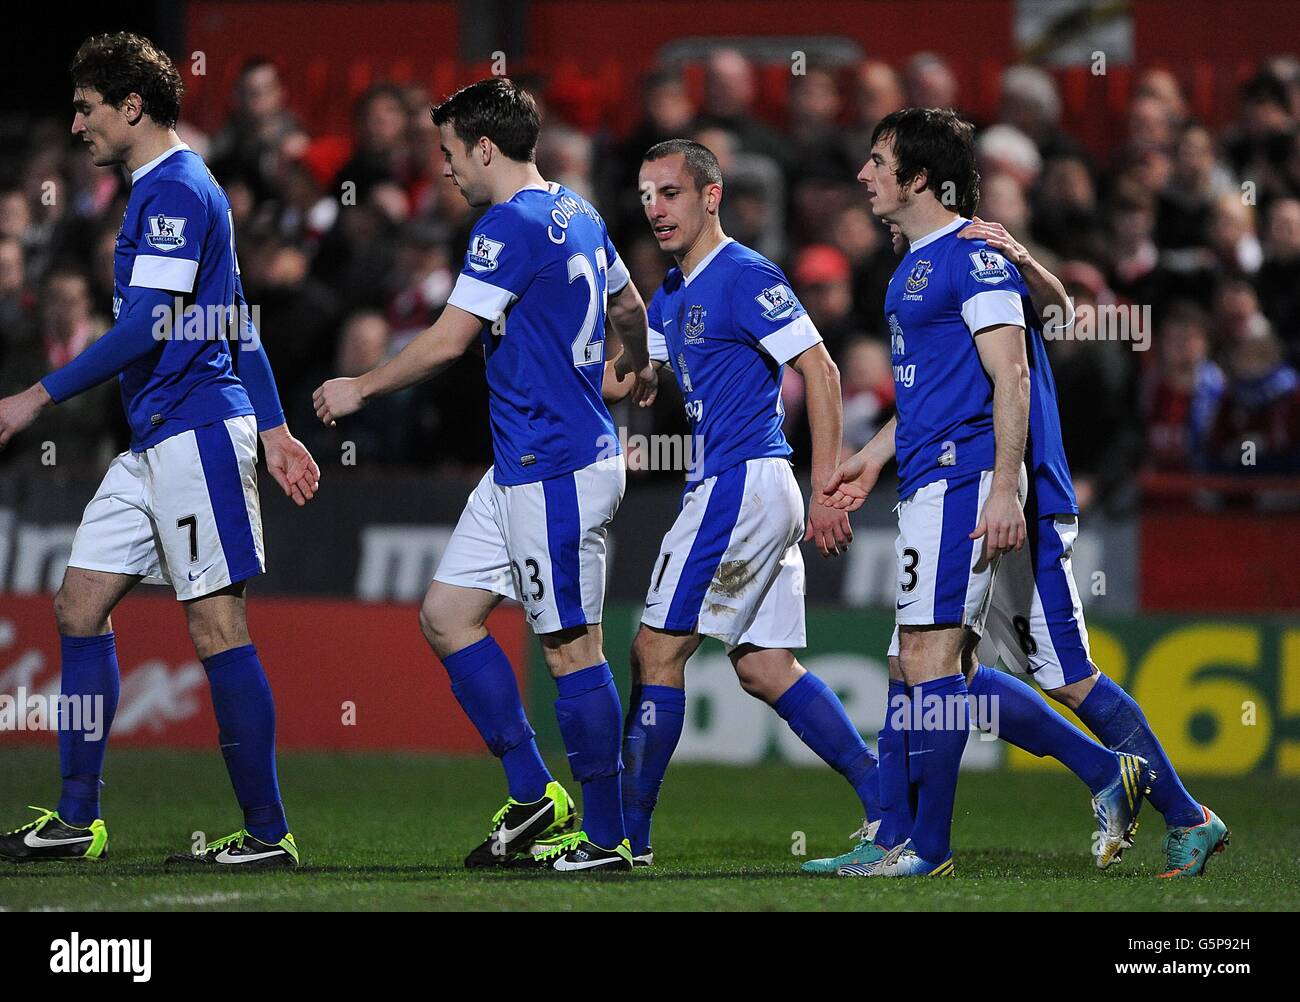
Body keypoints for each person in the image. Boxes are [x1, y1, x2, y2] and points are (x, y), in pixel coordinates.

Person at [824, 202, 1228, 879]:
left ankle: (1187, 816)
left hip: (1013, 492)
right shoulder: (923, 271)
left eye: (879, 165)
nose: (865, 184)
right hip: (973, 488)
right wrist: (873, 455)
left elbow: (1050, 326)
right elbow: (944, 395)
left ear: (919, 180)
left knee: (1056, 674)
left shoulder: (976, 253)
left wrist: (1008, 487)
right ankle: (904, 833)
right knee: (927, 666)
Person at [313, 77, 656, 873]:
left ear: (485, 149)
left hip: (556, 469)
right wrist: (636, 367)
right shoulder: (578, 210)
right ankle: (537, 793)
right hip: (522, 466)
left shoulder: (506, 225)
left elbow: (447, 339)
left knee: (571, 650)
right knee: (446, 615)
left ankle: (608, 839)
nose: (446, 170)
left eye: (450, 154)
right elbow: (631, 306)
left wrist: (359, 386)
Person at [0, 32, 320, 867]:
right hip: (156, 438)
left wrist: (39, 393)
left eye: (86, 107)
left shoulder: (175, 189)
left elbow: (147, 327)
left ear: (130, 107)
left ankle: (267, 832)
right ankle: (77, 820)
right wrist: (281, 428)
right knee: (77, 605)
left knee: (216, 626)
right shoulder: (166, 188)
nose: (76, 127)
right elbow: (234, 320)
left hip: (197, 433)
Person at [606, 139, 874, 868]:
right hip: (742, 484)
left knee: (654, 650)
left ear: (711, 196)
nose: (655, 208)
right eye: (646, 195)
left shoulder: (745, 274)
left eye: (671, 193)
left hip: (742, 481)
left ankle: (625, 839)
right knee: (762, 666)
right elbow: (637, 378)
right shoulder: (671, 290)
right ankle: (888, 804)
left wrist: (828, 487)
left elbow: (818, 366)